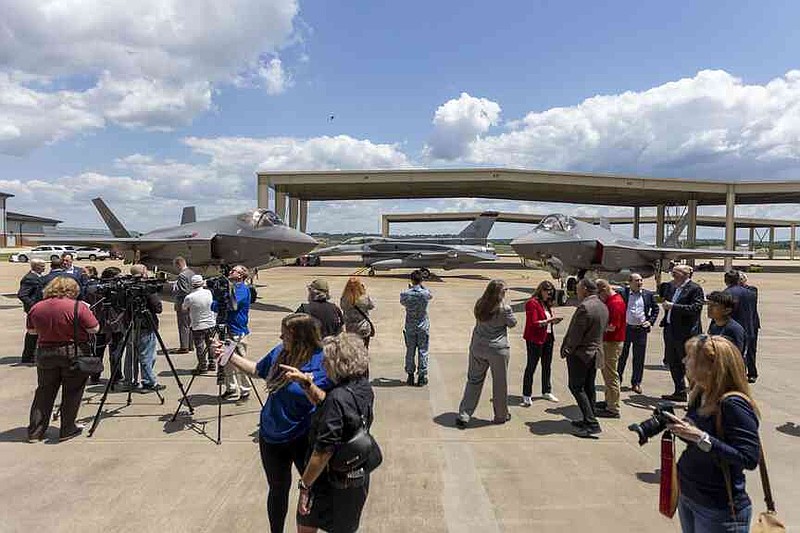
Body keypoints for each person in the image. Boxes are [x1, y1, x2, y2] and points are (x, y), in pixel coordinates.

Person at [215, 313, 332, 533]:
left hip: (302, 436)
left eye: (285, 334)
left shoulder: (321, 360)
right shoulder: (280, 352)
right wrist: (229, 356)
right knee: (277, 489)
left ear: (301, 337)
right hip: (271, 435)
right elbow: (257, 370)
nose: (280, 337)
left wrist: (306, 383)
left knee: (311, 489)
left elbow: (324, 400)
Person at [666, 335, 760, 531]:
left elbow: (749, 458)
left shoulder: (733, 405)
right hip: (689, 496)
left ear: (710, 366)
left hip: (717, 510)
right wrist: (679, 427)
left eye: (690, 357)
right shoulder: (701, 393)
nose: (684, 361)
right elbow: (697, 439)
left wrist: (702, 438)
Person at [289, 333, 375, 533]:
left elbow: (324, 451)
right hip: (355, 476)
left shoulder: (337, 398)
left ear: (339, 364)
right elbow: (336, 407)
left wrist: (305, 486)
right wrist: (307, 384)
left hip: (329, 481)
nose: (323, 365)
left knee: (306, 524)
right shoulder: (363, 387)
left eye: (326, 361)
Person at [26, 276, 100, 441]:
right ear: (72, 290)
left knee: (44, 392)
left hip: (45, 352)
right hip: (73, 351)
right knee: (72, 391)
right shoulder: (77, 306)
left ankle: (35, 431)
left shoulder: (36, 307)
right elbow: (94, 328)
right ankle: (67, 429)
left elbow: (31, 331)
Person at [455, 279, 516, 428]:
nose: (506, 293)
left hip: (478, 346)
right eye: (505, 290)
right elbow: (513, 323)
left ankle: (464, 414)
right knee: (500, 384)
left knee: (473, 381)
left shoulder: (480, 304)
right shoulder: (504, 308)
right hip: (497, 350)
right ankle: (501, 415)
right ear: (499, 293)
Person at [560, 278, 608, 438]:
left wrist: (568, 349)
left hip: (581, 354)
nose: (577, 291)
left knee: (576, 387)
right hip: (595, 353)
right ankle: (589, 418)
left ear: (585, 290)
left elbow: (576, 334)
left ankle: (592, 423)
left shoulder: (585, 307)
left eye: (578, 288)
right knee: (589, 387)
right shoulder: (602, 305)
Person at [660, 265, 704, 402]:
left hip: (686, 333)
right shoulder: (672, 287)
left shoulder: (695, 288)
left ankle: (695, 398)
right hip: (670, 330)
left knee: (689, 365)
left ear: (685, 274)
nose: (672, 276)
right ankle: (679, 391)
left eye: (675, 273)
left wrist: (674, 306)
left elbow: (695, 308)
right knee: (673, 362)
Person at [212, 264, 252, 401]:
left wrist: (219, 303)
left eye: (234, 271)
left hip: (237, 331)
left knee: (240, 363)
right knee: (225, 360)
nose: (230, 272)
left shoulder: (242, 289)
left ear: (241, 275)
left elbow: (232, 306)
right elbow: (215, 306)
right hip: (226, 329)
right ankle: (231, 388)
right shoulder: (231, 288)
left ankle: (245, 390)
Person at [123, 264, 164, 393]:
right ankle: (149, 382)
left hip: (130, 325)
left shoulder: (126, 287)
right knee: (147, 355)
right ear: (143, 273)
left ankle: (129, 381)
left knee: (130, 355)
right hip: (146, 325)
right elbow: (157, 307)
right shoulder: (146, 288)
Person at [616, 273, 659, 394]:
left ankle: (636, 383)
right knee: (622, 356)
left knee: (639, 358)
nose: (640, 283)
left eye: (641, 280)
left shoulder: (648, 294)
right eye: (637, 281)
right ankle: (617, 380)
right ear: (630, 282)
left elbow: (655, 309)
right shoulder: (622, 293)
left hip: (640, 330)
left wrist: (650, 321)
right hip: (625, 329)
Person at [520, 280, 561, 406]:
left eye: (551, 291)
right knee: (531, 366)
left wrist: (552, 321)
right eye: (547, 291)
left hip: (548, 337)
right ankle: (527, 394)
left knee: (547, 365)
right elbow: (533, 323)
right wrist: (550, 321)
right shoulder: (532, 303)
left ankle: (546, 391)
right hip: (535, 339)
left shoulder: (546, 303)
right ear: (541, 290)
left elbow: (546, 320)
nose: (549, 294)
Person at [85, 266, 125, 385]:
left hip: (112, 325)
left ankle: (114, 376)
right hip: (105, 324)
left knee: (114, 353)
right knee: (99, 352)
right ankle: (97, 376)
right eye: (117, 277)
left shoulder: (96, 288)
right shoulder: (97, 289)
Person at [595, 279, 626, 419]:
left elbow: (612, 327)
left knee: (611, 375)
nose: (599, 298)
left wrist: (596, 329)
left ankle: (613, 408)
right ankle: (609, 400)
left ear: (604, 290)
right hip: (608, 342)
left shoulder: (615, 303)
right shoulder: (611, 300)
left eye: (599, 294)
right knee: (606, 374)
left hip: (612, 343)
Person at [723, 270, 758, 383]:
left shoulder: (727, 293)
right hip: (748, 326)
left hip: (736, 327)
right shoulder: (750, 293)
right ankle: (742, 374)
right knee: (744, 352)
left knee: (736, 353)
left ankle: (740, 375)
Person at [400, 270, 433, 386]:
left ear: (411, 280)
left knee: (410, 351)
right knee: (423, 350)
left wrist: (411, 289)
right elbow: (430, 295)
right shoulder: (425, 293)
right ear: (421, 280)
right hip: (422, 325)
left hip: (410, 326)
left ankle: (410, 375)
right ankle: (421, 376)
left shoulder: (405, 293)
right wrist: (421, 287)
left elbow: (402, 302)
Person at [183, 274, 217, 374]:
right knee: (210, 344)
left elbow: (184, 308)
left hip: (198, 325)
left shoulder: (189, 297)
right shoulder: (208, 292)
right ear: (202, 283)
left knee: (200, 346)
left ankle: (202, 365)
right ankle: (212, 363)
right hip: (210, 323)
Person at [17, 258, 46, 364]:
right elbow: (22, 294)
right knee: (32, 333)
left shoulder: (39, 276)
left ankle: (33, 354)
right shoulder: (29, 278)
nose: (44, 268)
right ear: (35, 267)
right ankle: (28, 356)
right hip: (34, 310)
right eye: (42, 266)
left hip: (39, 309)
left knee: (37, 332)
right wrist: (34, 306)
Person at [706, 291, 746, 357]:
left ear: (727, 310)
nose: (709, 308)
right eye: (708, 304)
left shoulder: (735, 329)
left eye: (714, 305)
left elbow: (737, 354)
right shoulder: (713, 326)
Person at [340, 277, 376, 348]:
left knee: (352, 349)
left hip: (350, 328)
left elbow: (342, 307)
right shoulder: (364, 297)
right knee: (364, 349)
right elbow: (371, 306)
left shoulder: (344, 298)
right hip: (363, 328)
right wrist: (364, 292)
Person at [739, 273, 761, 383]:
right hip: (739, 323)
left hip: (751, 323)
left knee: (751, 350)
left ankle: (752, 373)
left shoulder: (752, 290)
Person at [172, 256, 195, 354]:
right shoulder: (192, 273)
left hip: (183, 304)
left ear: (178, 264)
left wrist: (175, 289)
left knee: (183, 325)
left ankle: (184, 347)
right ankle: (190, 345)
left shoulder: (182, 275)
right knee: (190, 324)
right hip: (192, 303)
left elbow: (184, 291)